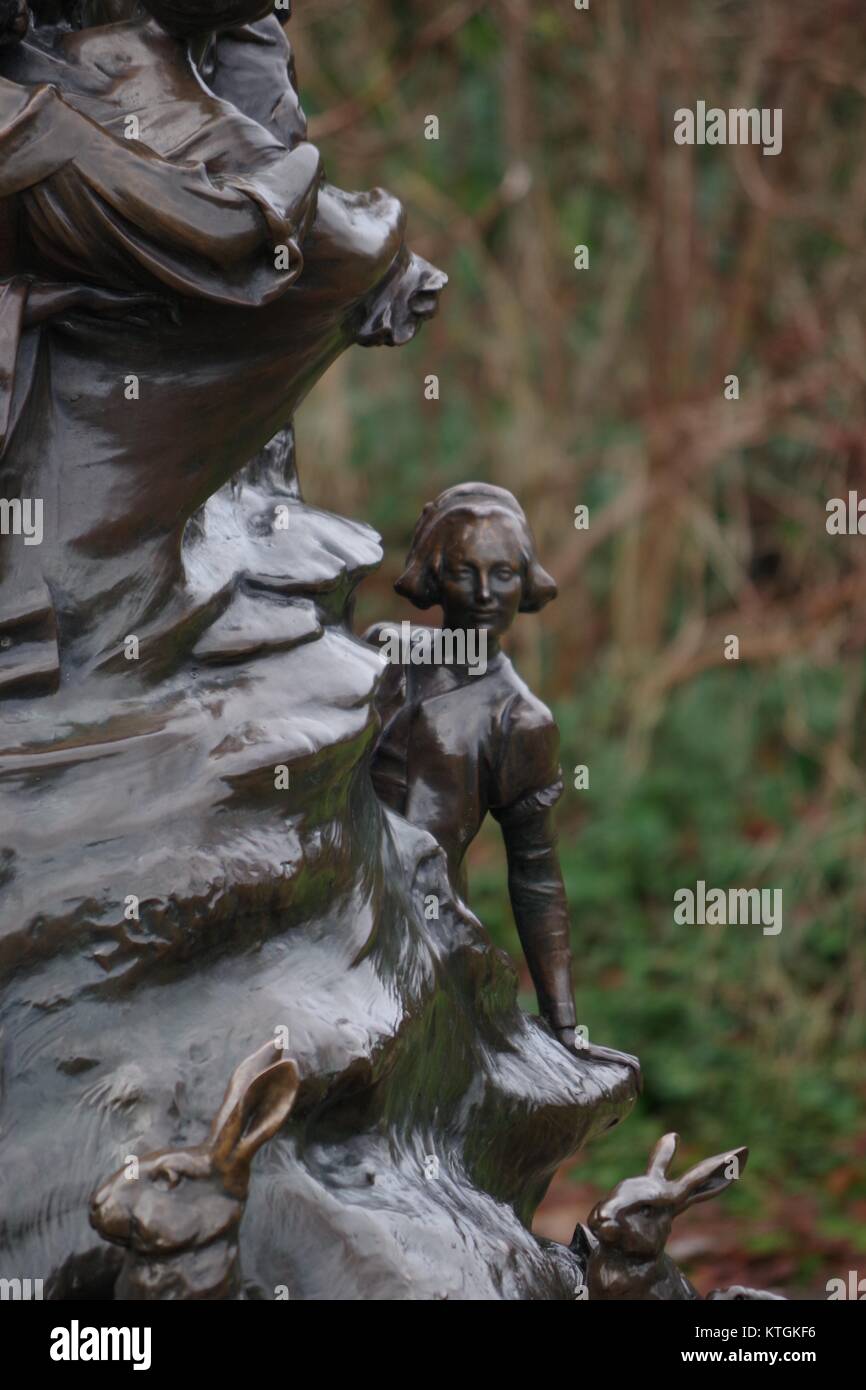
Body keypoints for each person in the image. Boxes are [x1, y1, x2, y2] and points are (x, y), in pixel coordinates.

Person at [367, 484, 579, 1049]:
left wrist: (563, 1024)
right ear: (435, 579)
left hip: (420, 939)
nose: (486, 593)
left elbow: (536, 876)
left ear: (525, 581)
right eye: (465, 573)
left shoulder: (521, 722)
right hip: (327, 904)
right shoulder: (385, 657)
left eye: (504, 574)